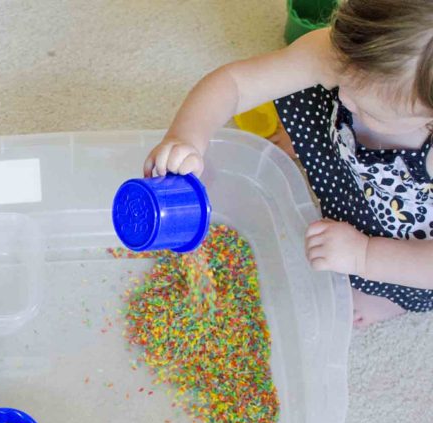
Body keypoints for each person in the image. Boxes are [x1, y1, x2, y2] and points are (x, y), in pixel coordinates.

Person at [144, 0, 433, 328]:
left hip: (403, 230)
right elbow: (235, 83)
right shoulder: (344, 53)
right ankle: (327, 134)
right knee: (312, 82)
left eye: (372, 112)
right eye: (343, 80)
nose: (346, 98)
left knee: (389, 277)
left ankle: (386, 300)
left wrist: (364, 255)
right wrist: (186, 137)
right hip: (345, 146)